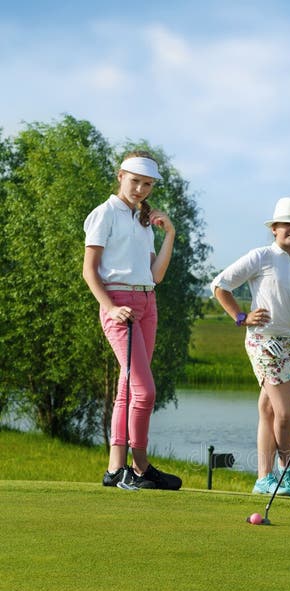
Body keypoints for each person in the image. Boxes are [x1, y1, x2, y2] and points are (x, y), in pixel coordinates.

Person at [211, 198, 290, 497]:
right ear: (274, 228)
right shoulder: (260, 257)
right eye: (286, 224)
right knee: (287, 411)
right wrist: (241, 316)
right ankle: (286, 473)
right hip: (264, 341)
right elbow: (220, 285)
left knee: (268, 409)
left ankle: (264, 478)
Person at [83, 150, 182, 490]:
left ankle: (116, 469)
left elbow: (155, 276)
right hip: (119, 304)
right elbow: (89, 270)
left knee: (129, 388)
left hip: (146, 303)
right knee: (145, 391)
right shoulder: (104, 214)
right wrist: (109, 307)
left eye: (148, 184)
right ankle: (139, 467)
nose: (140, 189)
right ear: (120, 175)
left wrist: (169, 234)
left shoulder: (144, 221)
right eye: (135, 181)